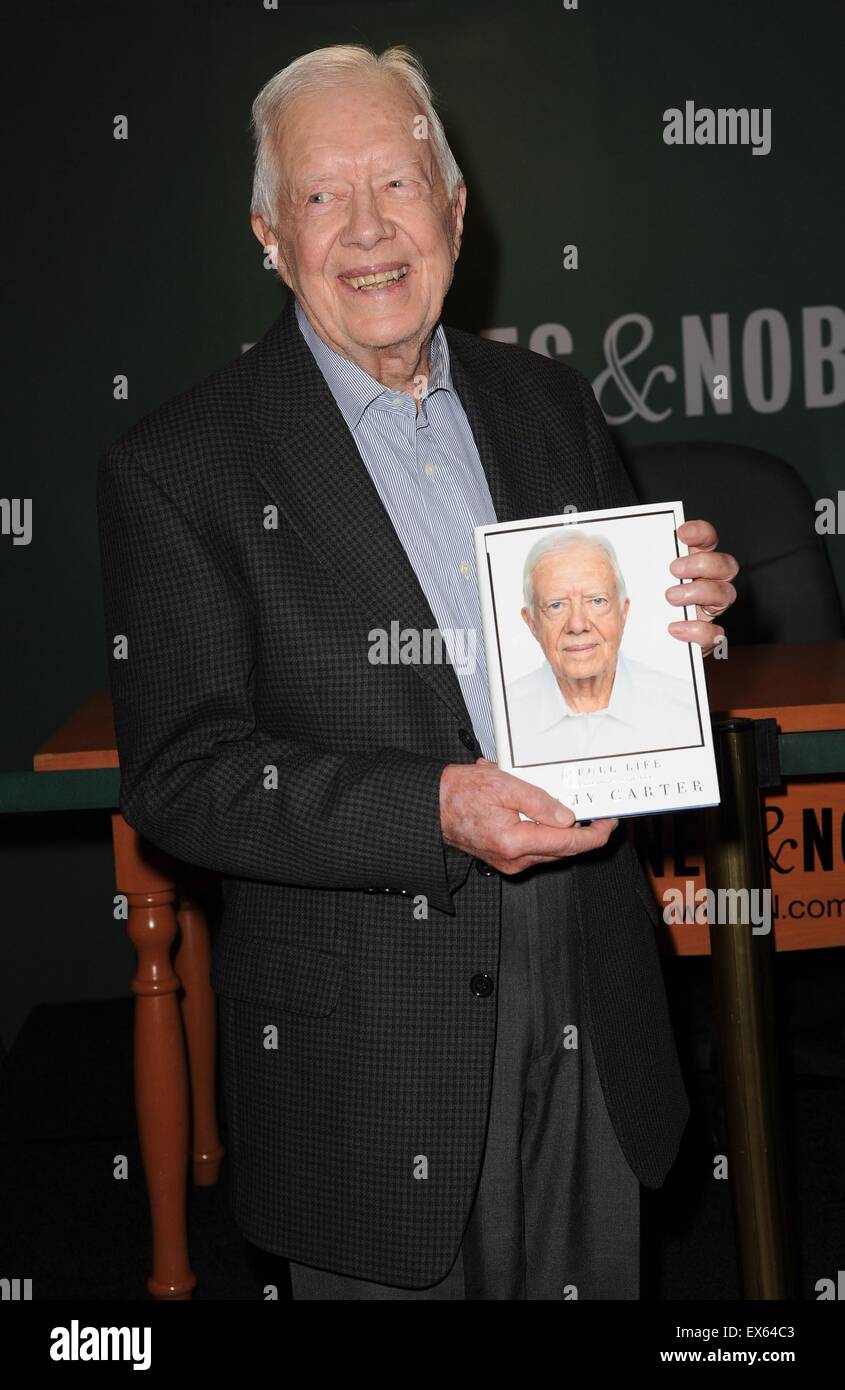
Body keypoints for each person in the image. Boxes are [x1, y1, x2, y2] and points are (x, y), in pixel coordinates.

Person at [96, 43, 739, 1300]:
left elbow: (630, 680)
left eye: (397, 182)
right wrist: (432, 807)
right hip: (366, 1050)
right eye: (322, 197)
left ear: (452, 211)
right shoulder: (178, 466)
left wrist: (686, 622)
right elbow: (180, 779)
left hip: (590, 996)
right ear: (270, 237)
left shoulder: (547, 402)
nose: (368, 229)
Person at [507, 529, 701, 763]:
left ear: (623, 612)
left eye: (597, 601)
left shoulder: (684, 709)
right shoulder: (501, 720)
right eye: (556, 605)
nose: (577, 625)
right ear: (531, 623)